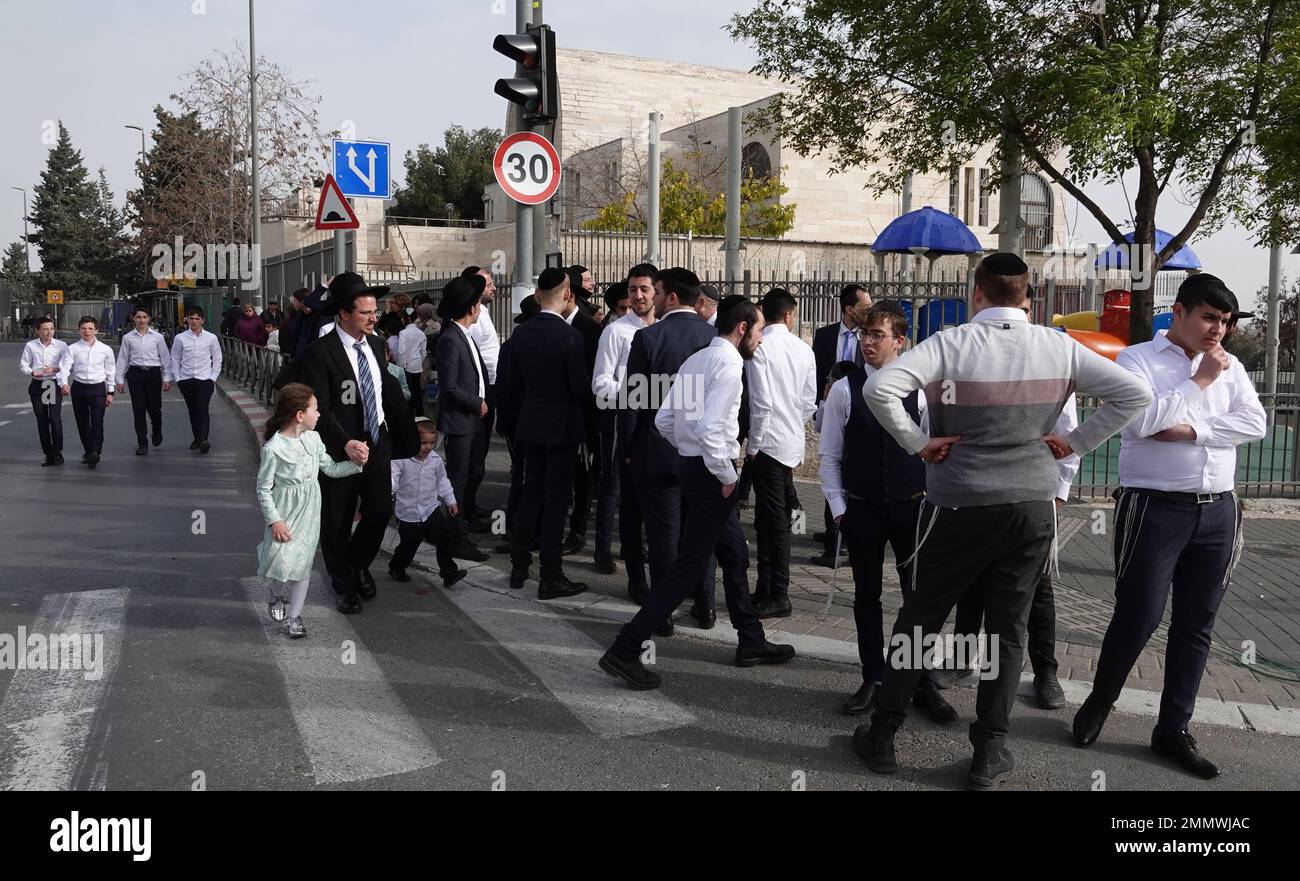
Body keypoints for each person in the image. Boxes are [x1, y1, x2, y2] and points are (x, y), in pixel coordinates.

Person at [853, 252, 1152, 790]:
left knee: (920, 619)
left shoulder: (951, 344)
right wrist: (1074, 443)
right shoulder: (1058, 346)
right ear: (1027, 297)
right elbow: (1135, 393)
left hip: (957, 505)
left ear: (977, 294)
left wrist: (919, 443)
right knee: (1008, 631)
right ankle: (988, 751)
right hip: (1030, 507)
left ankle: (884, 731)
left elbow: (880, 390)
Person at [1073, 273, 1266, 780]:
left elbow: (1255, 423)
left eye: (1225, 321)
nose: (1217, 330)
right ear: (1178, 312)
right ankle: (1101, 701)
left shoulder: (1234, 366)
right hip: (1154, 507)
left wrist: (1191, 430)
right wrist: (1198, 382)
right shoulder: (1139, 359)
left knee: (1196, 624)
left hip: (1218, 509)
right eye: (1208, 317)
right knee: (1139, 614)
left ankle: (1172, 729)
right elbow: (1139, 422)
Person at [600, 301, 796, 689]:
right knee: (686, 571)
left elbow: (664, 420)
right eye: (758, 330)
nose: (760, 338)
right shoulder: (729, 364)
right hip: (711, 475)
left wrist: (689, 452)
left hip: (691, 468)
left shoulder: (697, 361)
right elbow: (712, 429)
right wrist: (725, 473)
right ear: (742, 328)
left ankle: (751, 640)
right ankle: (625, 649)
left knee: (734, 554)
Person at [937, 290, 1081, 709]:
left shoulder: (1050, 359)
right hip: (976, 496)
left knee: (1037, 593)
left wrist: (1057, 495)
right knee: (970, 584)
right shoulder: (969, 358)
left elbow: (1067, 437)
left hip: (1031, 501)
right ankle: (963, 658)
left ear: (1028, 313)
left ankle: (1046, 672)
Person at [818, 302, 956, 723]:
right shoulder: (845, 388)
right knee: (866, 597)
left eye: (877, 335)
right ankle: (873, 677)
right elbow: (829, 455)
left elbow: (938, 450)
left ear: (900, 341)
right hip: (861, 510)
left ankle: (918, 678)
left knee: (918, 600)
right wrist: (839, 509)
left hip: (912, 507)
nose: (867, 342)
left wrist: (936, 502)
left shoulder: (921, 389)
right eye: (864, 334)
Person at [303, 271, 421, 615]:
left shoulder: (377, 344)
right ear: (343, 313)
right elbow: (320, 407)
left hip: (378, 440)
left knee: (380, 510)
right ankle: (344, 585)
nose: (374, 318)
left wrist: (410, 432)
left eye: (375, 311)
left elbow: (386, 390)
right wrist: (346, 442)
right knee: (337, 519)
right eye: (366, 313)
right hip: (340, 448)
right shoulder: (320, 352)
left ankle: (357, 564)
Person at [619, 267, 719, 634]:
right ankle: (706, 604)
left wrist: (628, 448)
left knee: (663, 535)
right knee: (702, 533)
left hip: (657, 452)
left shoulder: (648, 339)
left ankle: (661, 613)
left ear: (672, 297)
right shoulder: (715, 340)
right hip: (704, 453)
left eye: (657, 292)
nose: (653, 299)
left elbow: (633, 401)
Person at [499, 267, 589, 599]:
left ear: (537, 296)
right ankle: (551, 575)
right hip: (562, 429)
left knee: (529, 494)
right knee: (555, 502)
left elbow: (508, 386)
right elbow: (579, 388)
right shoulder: (570, 337)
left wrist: (509, 425)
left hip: (529, 426)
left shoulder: (520, 335)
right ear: (567, 295)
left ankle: (519, 565)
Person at [255, 383, 364, 638]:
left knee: (302, 564)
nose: (319, 414)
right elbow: (263, 490)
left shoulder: (314, 439)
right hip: (285, 513)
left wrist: (357, 463)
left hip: (310, 513)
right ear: (300, 415)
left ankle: (294, 617)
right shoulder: (273, 448)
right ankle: (275, 595)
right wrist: (275, 521)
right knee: (280, 563)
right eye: (315, 409)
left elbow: (331, 469)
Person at [745, 288, 818, 618]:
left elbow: (760, 404)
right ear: (790, 315)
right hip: (789, 442)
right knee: (770, 518)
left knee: (772, 522)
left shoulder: (760, 348)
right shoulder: (804, 349)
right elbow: (808, 402)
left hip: (768, 444)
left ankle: (778, 592)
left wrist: (754, 444)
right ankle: (766, 587)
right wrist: (792, 426)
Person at [591, 267, 655, 589]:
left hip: (657, 425)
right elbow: (600, 384)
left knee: (648, 491)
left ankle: (639, 547)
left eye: (643, 289)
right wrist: (636, 392)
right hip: (622, 421)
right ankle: (603, 550)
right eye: (632, 290)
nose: (638, 296)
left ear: (656, 291)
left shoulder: (664, 330)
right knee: (614, 486)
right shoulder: (616, 332)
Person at [812, 284, 872, 567]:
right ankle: (833, 539)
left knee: (856, 473)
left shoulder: (870, 338)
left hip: (862, 411)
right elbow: (816, 373)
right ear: (849, 309)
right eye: (865, 307)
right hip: (831, 411)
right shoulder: (824, 336)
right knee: (831, 466)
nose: (869, 312)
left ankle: (847, 536)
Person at [434, 276, 493, 561]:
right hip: (459, 421)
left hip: (470, 420)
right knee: (455, 482)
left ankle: (456, 530)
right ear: (472, 308)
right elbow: (450, 386)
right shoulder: (450, 339)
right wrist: (477, 402)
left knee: (465, 477)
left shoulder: (462, 334)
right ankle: (454, 538)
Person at [389, 419, 467, 588]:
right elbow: (392, 479)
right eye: (423, 443)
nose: (427, 447)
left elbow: (442, 482)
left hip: (431, 509)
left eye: (431, 443)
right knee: (408, 547)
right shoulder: (400, 460)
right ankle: (397, 567)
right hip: (408, 514)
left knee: (444, 539)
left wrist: (450, 500)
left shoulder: (435, 460)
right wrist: (388, 488)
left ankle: (449, 572)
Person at [461, 266, 501, 528]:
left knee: (480, 453)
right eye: (487, 283)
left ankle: (470, 505)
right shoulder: (471, 318)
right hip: (480, 391)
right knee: (473, 456)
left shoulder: (483, 312)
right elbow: (470, 357)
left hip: (490, 387)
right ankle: (464, 512)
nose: (493, 287)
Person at [57, 317, 115, 468]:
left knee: (97, 421)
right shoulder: (73, 349)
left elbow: (110, 372)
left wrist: (110, 393)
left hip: (98, 389)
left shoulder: (105, 349)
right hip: (79, 388)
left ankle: (96, 451)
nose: (87, 331)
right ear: (79, 330)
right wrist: (63, 383)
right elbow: (64, 368)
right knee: (82, 422)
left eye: (90, 328)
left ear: (97, 330)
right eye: (83, 328)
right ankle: (90, 451)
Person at [116, 305, 171, 455]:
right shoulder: (128, 338)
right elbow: (122, 359)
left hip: (153, 374)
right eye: (138, 317)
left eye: (144, 317)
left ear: (149, 319)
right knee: (138, 409)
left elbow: (165, 358)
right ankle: (142, 443)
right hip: (135, 374)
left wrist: (167, 377)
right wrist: (119, 380)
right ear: (133, 318)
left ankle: (157, 430)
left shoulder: (158, 337)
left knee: (154, 409)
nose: (141, 320)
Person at [169, 306, 223, 454]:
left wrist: (213, 377)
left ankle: (204, 439)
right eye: (191, 318)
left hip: (205, 378)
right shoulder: (180, 338)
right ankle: (197, 439)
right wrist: (178, 378)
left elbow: (217, 358)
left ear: (202, 320)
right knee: (192, 410)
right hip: (186, 379)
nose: (194, 321)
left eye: (197, 318)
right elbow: (175, 358)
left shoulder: (211, 338)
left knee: (202, 407)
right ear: (187, 320)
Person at [19, 315, 68, 466]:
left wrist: (55, 368)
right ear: (37, 331)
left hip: (52, 384)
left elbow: (67, 365)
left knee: (54, 419)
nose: (49, 332)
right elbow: (23, 366)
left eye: (52, 329)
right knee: (42, 420)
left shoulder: (61, 345)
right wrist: (33, 372)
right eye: (45, 329)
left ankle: (57, 451)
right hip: (37, 385)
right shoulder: (31, 346)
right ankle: (48, 454)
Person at [398, 306, 427, 415]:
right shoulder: (421, 333)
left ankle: (409, 414)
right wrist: (419, 361)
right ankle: (420, 414)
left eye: (402, 317)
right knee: (417, 391)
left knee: (407, 391)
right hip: (417, 366)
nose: (401, 319)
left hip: (406, 367)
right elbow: (423, 352)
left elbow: (402, 351)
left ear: (407, 319)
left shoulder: (403, 333)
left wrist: (402, 366)